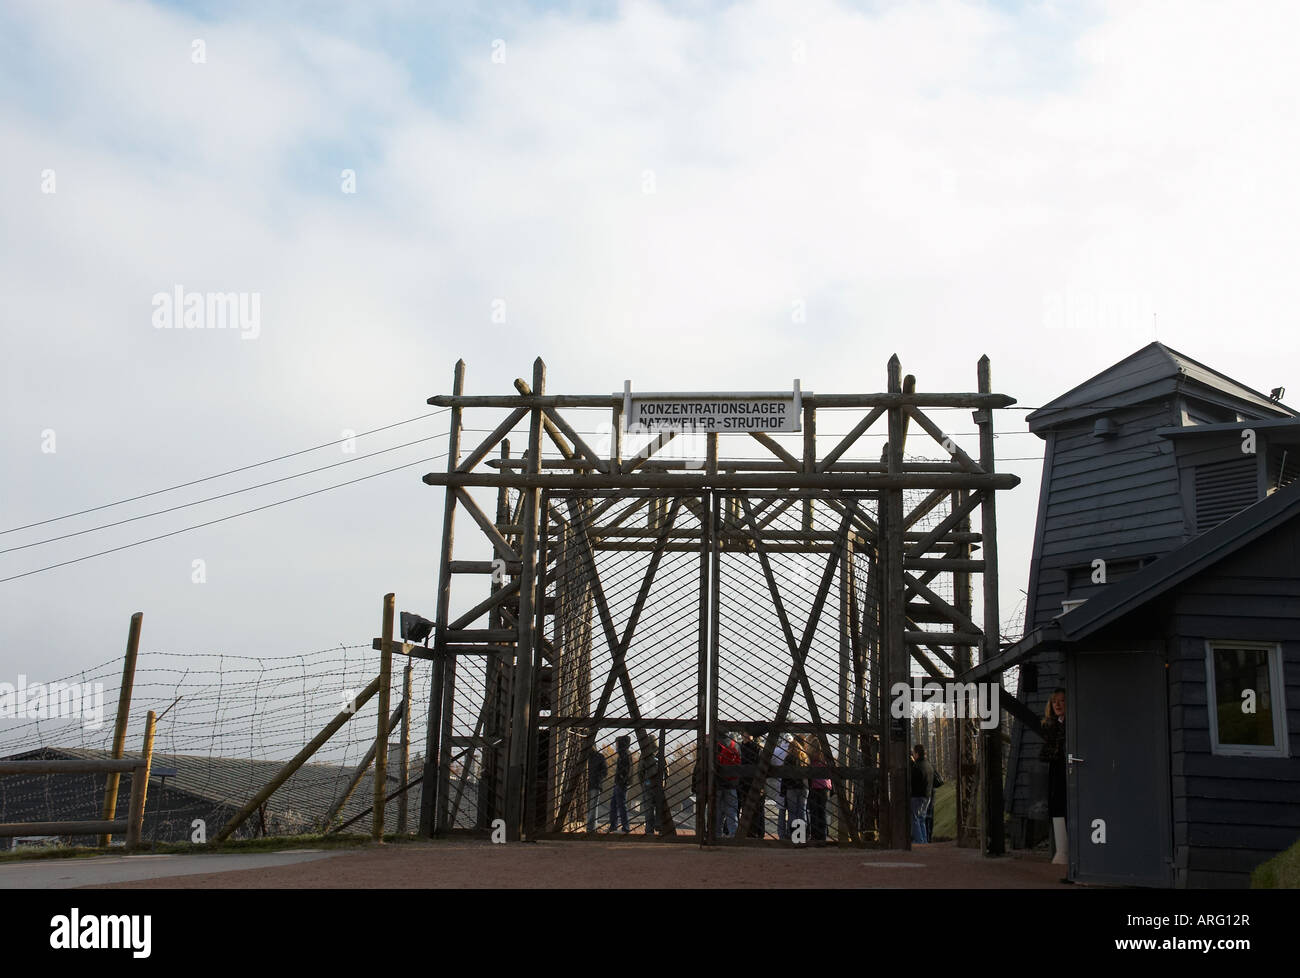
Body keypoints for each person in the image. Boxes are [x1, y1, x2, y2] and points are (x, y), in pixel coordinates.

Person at [1040, 688, 1068, 866]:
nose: (1057, 704)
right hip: (1057, 770)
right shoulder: (1051, 726)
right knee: (1057, 805)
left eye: (1061, 700)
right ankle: (1062, 851)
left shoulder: (1071, 724)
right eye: (1054, 701)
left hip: (1070, 769)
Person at [739, 729, 765, 838]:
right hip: (751, 781)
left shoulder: (744, 748)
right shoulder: (757, 748)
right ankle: (755, 831)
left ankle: (752, 831)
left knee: (751, 808)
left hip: (747, 780)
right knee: (756, 808)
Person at [782, 736, 807, 840]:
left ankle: (793, 835)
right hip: (803, 787)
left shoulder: (788, 758)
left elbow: (785, 776)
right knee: (802, 811)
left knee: (792, 812)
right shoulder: (804, 758)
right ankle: (801, 835)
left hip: (791, 787)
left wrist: (783, 790)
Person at [716, 732, 741, 837]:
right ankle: (733, 834)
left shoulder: (715, 745)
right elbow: (739, 763)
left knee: (717, 810)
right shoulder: (735, 745)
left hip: (717, 782)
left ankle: (716, 834)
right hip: (731, 782)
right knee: (732, 810)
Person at [910, 744, 934, 843]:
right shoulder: (928, 765)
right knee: (921, 819)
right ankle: (924, 840)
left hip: (917, 796)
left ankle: (920, 841)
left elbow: (912, 779)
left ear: (916, 753)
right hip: (927, 796)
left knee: (914, 818)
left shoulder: (917, 766)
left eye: (914, 753)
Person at [808, 741, 831, 843]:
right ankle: (823, 835)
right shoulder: (827, 757)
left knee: (814, 812)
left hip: (814, 786)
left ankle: (814, 835)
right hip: (825, 786)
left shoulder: (811, 757)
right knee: (823, 811)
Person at [640, 734, 662, 834]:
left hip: (647, 783)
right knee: (659, 806)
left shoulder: (644, 754)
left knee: (648, 808)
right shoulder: (660, 753)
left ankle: (649, 829)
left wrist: (642, 782)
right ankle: (660, 826)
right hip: (659, 784)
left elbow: (640, 770)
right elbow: (666, 769)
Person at [609, 735, 631, 833]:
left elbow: (626, 771)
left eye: (617, 743)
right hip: (620, 782)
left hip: (621, 783)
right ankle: (614, 826)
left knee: (621, 805)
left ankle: (625, 827)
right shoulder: (625, 754)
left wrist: (622, 781)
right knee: (615, 804)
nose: (616, 745)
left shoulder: (624, 755)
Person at [771, 734, 790, 839]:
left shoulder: (776, 751)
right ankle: (796, 835)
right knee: (796, 810)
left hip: (780, 783)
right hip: (795, 784)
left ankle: (781, 835)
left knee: (781, 810)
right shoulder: (798, 751)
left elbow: (771, 763)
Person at [586, 739, 608, 834]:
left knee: (593, 807)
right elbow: (604, 771)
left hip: (594, 784)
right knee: (593, 807)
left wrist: (597, 777)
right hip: (593, 784)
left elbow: (604, 772)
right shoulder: (599, 757)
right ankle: (591, 827)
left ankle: (591, 827)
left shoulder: (591, 757)